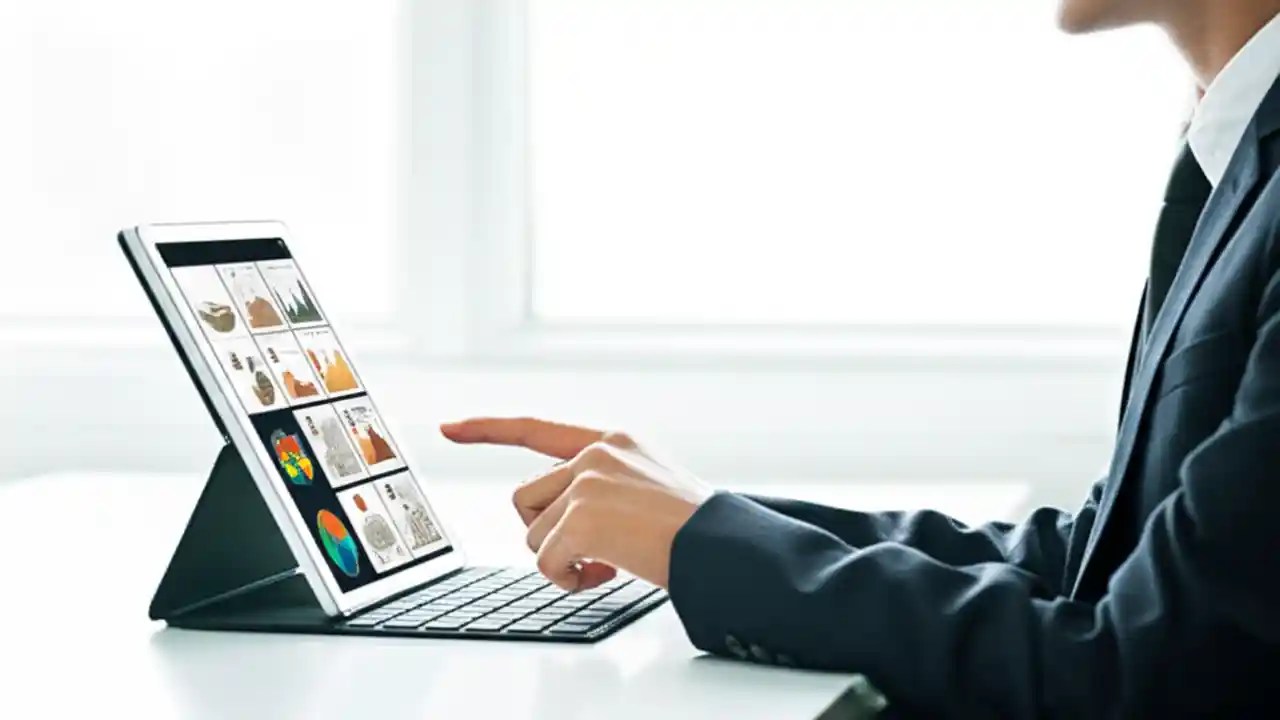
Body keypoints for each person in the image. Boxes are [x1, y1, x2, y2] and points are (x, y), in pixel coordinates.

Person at [442, 0, 1280, 715]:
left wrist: (704, 544)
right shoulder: (1238, 154)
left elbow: (1144, 671)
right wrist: (699, 518)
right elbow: (1103, 561)